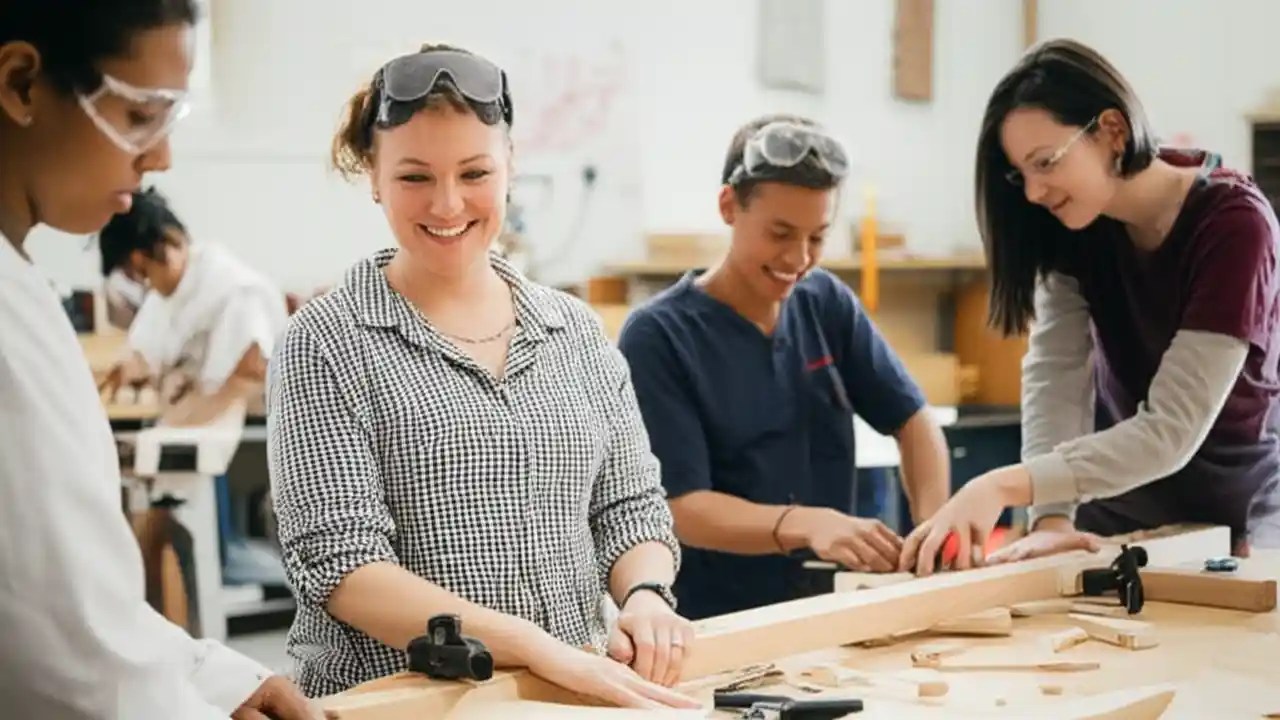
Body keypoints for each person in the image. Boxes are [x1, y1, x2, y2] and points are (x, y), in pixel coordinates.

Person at [265, 44, 700, 710]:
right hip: (395, 704)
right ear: (374, 178)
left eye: (474, 172)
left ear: (510, 170)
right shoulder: (325, 342)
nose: (447, 204)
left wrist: (644, 594)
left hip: (559, 696)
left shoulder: (574, 331)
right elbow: (345, 569)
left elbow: (630, 507)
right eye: (414, 177)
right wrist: (532, 645)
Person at [0, 2, 318, 719]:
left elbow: (89, 614)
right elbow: (56, 657)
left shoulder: (22, 289)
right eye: (142, 115)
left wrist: (217, 679)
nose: (161, 157)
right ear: (21, 84)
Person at [899, 38, 1280, 576]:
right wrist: (1052, 518)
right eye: (1019, 174)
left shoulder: (1235, 226)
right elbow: (1056, 374)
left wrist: (1002, 484)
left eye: (1046, 163)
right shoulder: (1076, 225)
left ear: (1112, 131)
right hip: (1116, 495)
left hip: (1237, 510)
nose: (1033, 192)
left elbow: (1171, 429)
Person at [616, 114, 952, 620]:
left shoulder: (824, 301)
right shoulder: (658, 336)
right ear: (729, 206)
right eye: (780, 233)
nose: (798, 258)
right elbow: (680, 508)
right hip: (719, 622)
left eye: (817, 237)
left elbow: (914, 421)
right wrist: (806, 524)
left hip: (829, 610)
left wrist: (932, 530)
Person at [97, 186, 289, 429]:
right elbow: (142, 352)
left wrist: (189, 418)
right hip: (190, 429)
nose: (145, 283)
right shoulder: (165, 294)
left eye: (140, 272)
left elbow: (249, 374)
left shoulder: (237, 291)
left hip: (245, 438)